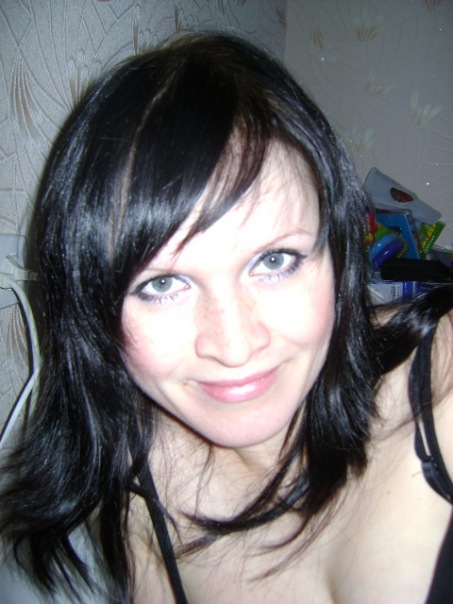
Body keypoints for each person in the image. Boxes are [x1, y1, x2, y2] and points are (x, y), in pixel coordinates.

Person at [1, 31, 452, 604]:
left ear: (338, 253)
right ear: (92, 309)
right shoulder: (130, 512)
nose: (234, 346)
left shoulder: (443, 383)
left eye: (275, 260)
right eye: (163, 284)